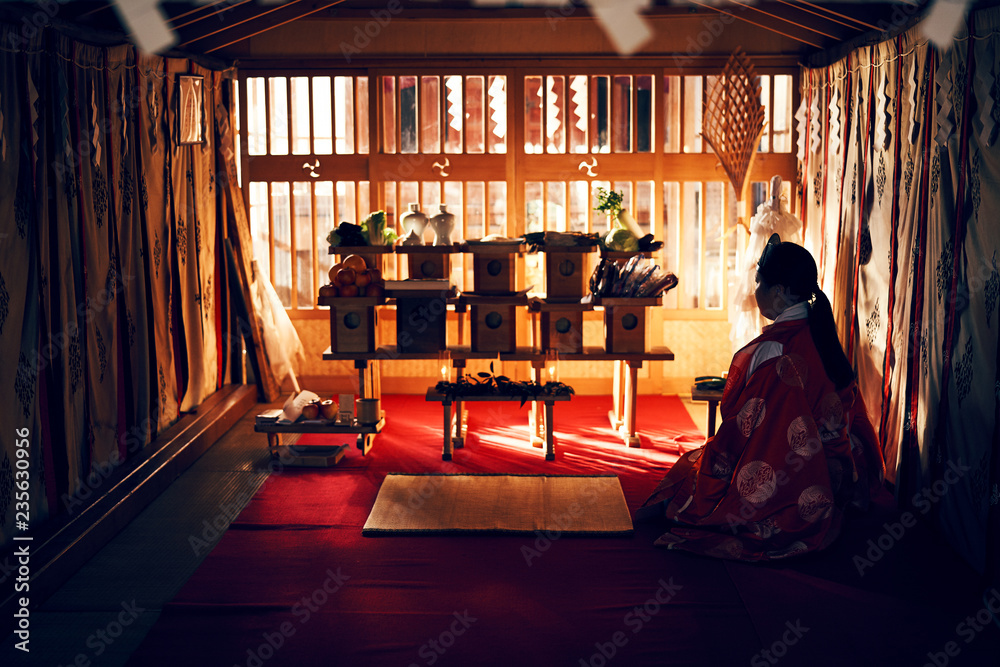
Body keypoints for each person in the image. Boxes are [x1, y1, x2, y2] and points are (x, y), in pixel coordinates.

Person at [637, 235, 885, 561]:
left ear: (779, 292)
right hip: (839, 472)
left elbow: (740, 433)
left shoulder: (775, 353)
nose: (755, 293)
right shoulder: (820, 332)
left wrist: (714, 461)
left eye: (759, 284)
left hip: (795, 480)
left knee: (693, 471)